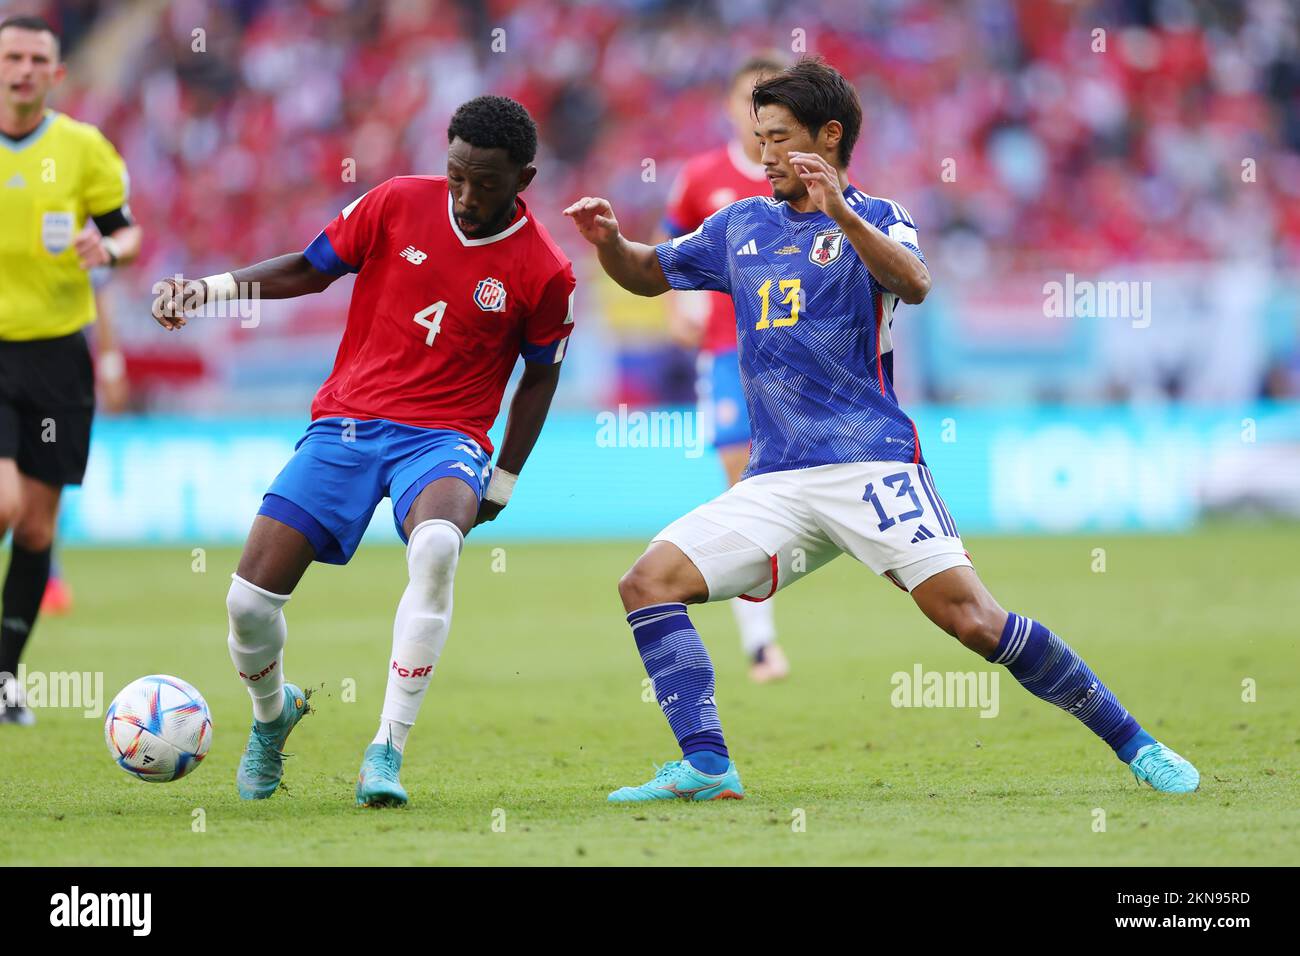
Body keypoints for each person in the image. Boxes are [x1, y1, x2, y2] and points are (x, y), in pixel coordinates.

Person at [565, 58, 1199, 801]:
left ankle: (1138, 744)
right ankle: (707, 765)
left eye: (778, 138)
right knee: (647, 584)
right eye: (759, 137)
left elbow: (915, 282)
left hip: (871, 465)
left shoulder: (878, 216)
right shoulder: (739, 223)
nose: (763, 154)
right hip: (777, 480)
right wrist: (608, 242)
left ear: (829, 137)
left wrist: (841, 212)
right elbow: (649, 272)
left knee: (972, 620)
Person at [152, 95, 576, 807]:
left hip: (447, 437)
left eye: (488, 184)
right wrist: (207, 290)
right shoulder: (395, 204)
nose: (468, 197)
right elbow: (311, 269)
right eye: (457, 176)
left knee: (438, 548)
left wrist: (503, 479)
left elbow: (540, 378)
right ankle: (271, 717)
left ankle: (386, 750)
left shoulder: (546, 270)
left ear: (524, 179)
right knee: (247, 603)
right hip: (347, 424)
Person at [0, 15, 141, 724]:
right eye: (10, 57)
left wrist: (107, 249)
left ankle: (4, 679)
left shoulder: (83, 149)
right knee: (4, 504)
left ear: (56, 73)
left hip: (58, 357)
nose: (22, 69)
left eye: (36, 59)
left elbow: (128, 230)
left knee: (35, 529)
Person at [660, 54, 791, 683]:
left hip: (795, 359)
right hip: (725, 351)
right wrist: (679, 300)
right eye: (747, 100)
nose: (755, 114)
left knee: (794, 485)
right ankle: (760, 640)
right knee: (743, 487)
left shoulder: (798, 176)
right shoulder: (702, 176)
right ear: (731, 106)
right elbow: (671, 239)